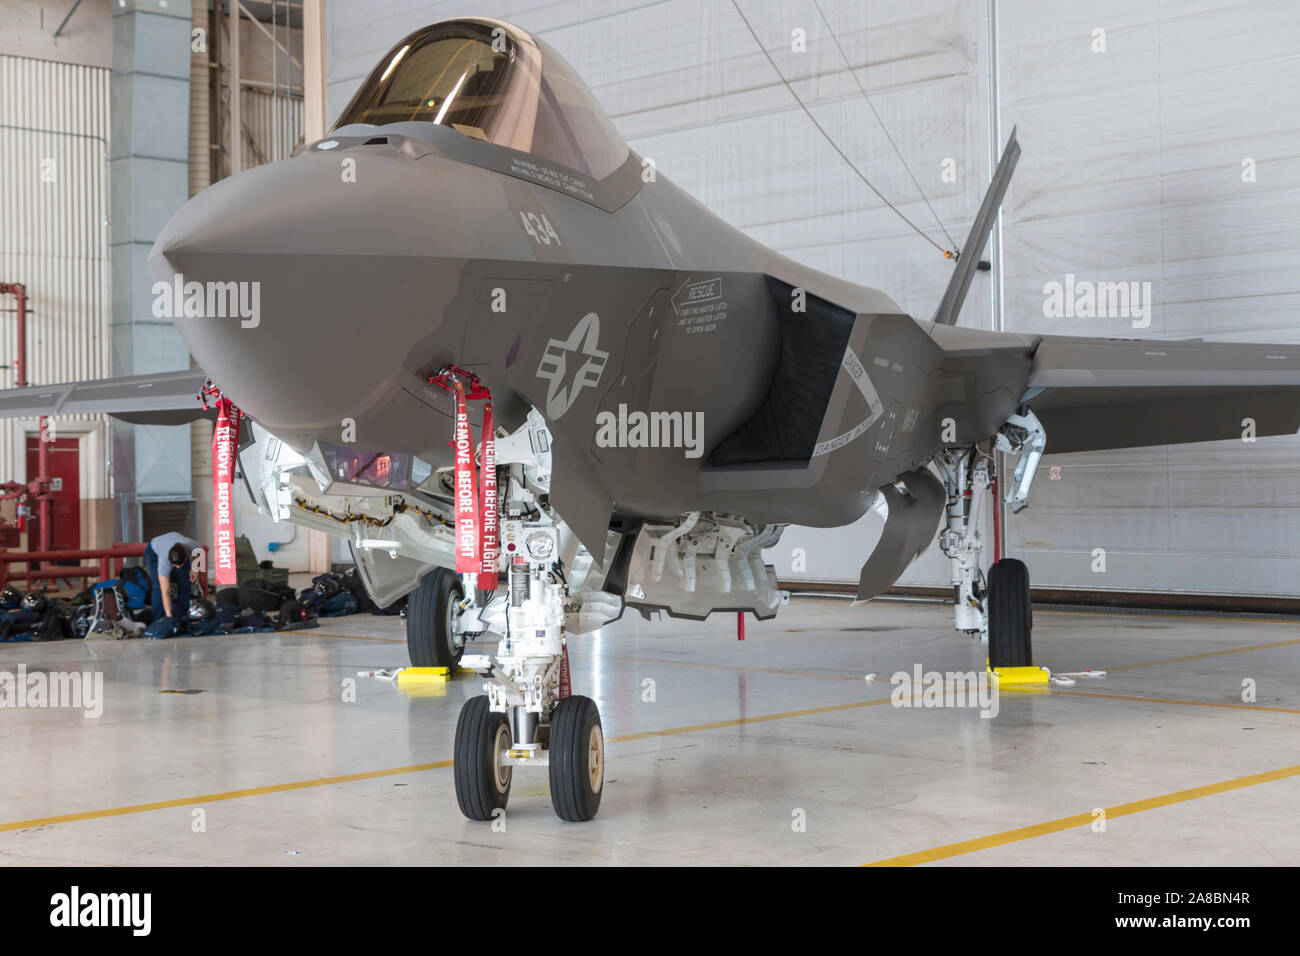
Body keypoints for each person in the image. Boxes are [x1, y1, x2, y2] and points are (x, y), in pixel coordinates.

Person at [145, 532, 202, 623]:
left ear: (186, 557)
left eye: (181, 564)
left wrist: (194, 569)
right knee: (159, 587)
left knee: (185, 583)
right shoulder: (164, 560)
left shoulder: (191, 545)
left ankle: (183, 617)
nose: (178, 567)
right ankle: (158, 619)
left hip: (176, 546)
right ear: (170, 561)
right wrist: (168, 615)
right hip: (154, 550)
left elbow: (199, 550)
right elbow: (165, 591)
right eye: (175, 565)